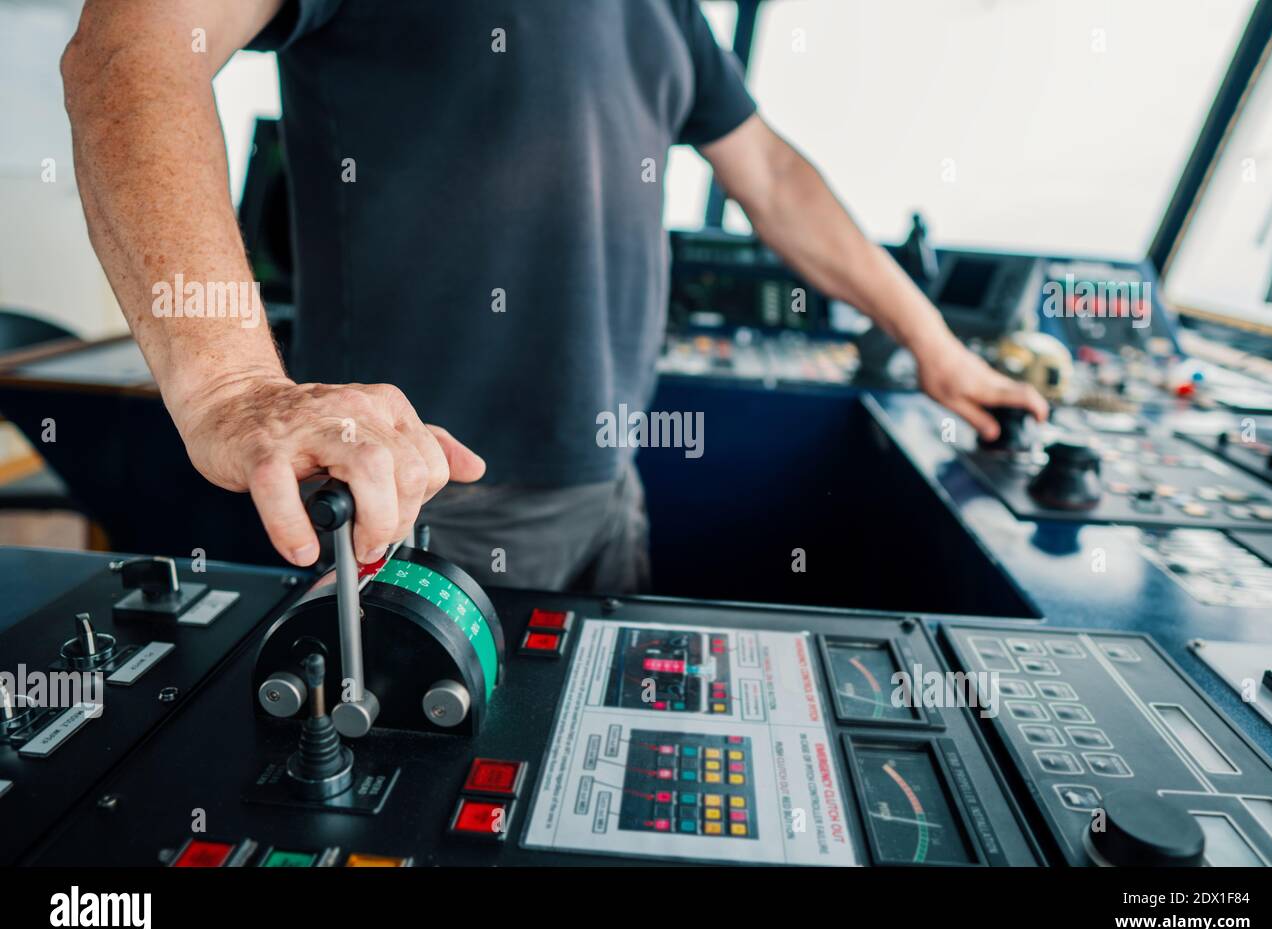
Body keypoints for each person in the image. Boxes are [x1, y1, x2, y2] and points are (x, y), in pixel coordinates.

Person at [61, 0, 1047, 591]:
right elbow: (135, 44)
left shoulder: (665, 11)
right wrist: (234, 385)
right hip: (431, 493)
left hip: (612, 485)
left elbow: (775, 178)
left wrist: (938, 346)